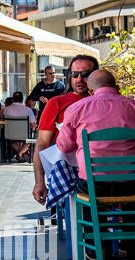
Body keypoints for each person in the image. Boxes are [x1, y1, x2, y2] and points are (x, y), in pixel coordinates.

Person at [55, 69, 135, 260]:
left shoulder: (76, 109)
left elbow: (65, 146)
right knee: (133, 196)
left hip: (94, 185)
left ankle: (98, 251)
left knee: (83, 193)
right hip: (132, 182)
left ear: (91, 91)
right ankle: (134, 251)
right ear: (117, 89)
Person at [31, 53, 100, 206]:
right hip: (70, 171)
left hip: (104, 169)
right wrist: (39, 182)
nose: (79, 79)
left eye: (86, 74)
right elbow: (42, 143)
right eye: (75, 74)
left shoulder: (105, 102)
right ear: (69, 76)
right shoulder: (57, 103)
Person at [3, 94, 39, 162]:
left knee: (11, 140)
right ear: (22, 100)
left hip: (10, 135)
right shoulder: (28, 110)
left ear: (13, 99)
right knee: (31, 138)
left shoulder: (6, 109)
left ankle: (20, 153)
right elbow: (33, 125)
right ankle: (21, 153)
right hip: (24, 135)